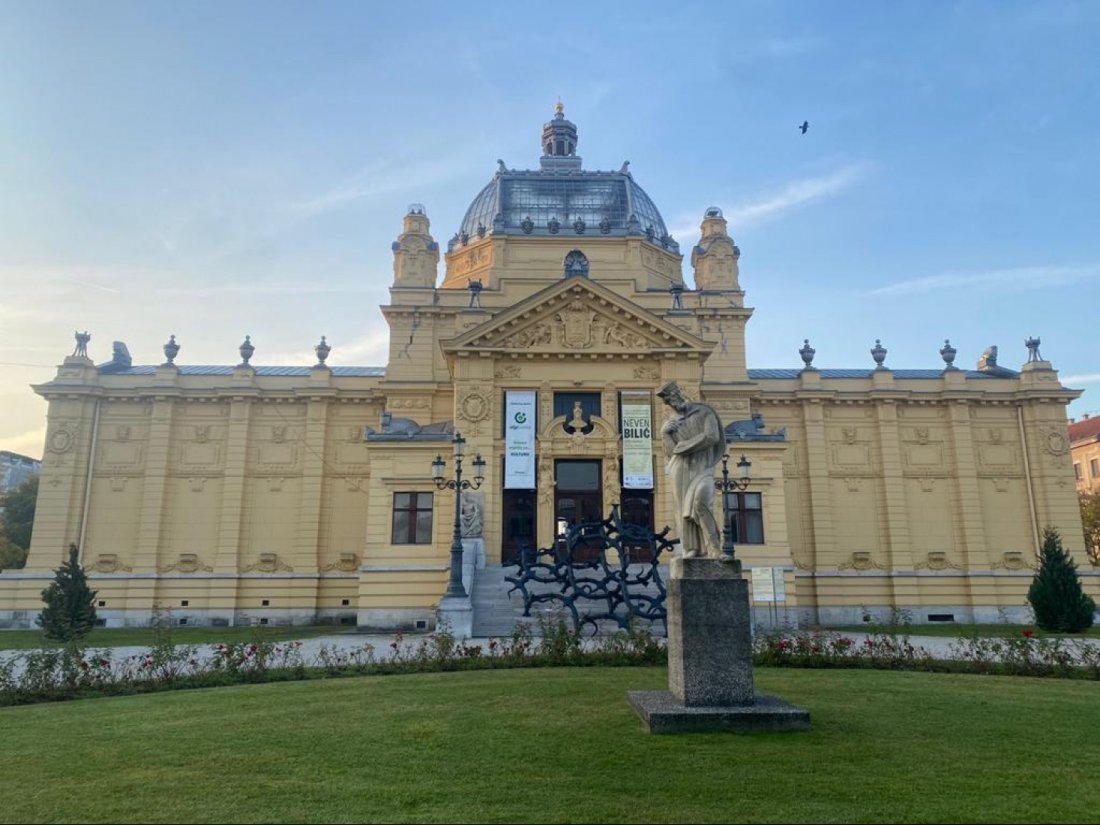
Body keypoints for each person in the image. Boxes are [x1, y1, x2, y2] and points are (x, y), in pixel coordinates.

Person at [657, 381, 725, 559]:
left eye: (673, 399)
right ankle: (691, 549)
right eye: (668, 403)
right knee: (682, 510)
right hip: (681, 469)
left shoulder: (704, 411)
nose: (672, 404)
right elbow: (671, 453)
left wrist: (684, 446)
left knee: (701, 502)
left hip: (703, 468)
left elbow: (712, 437)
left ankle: (715, 549)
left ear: (679, 394)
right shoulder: (670, 423)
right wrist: (664, 434)